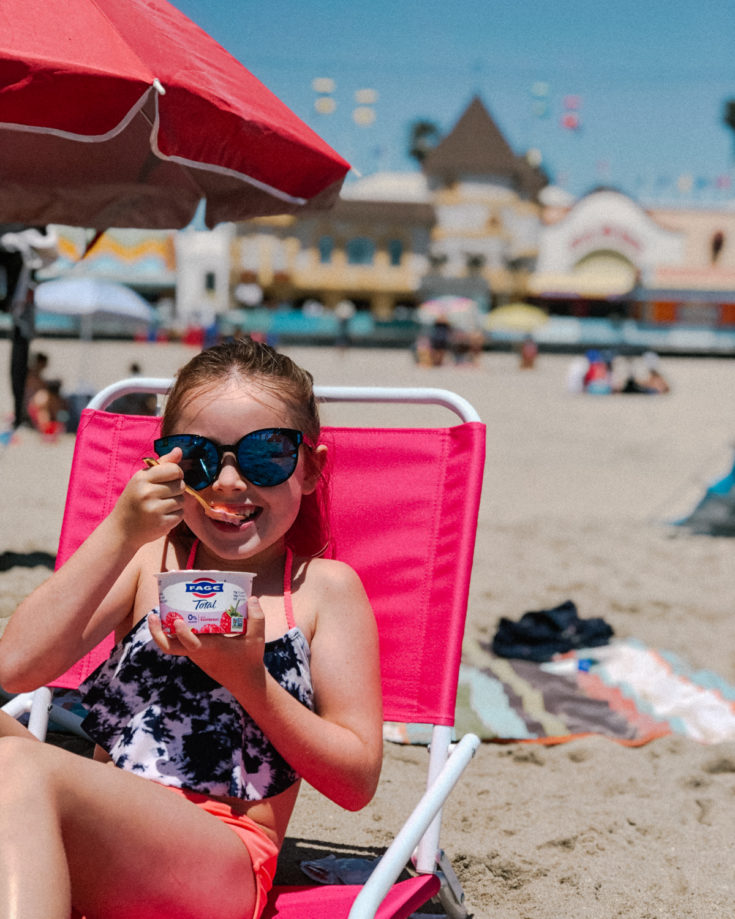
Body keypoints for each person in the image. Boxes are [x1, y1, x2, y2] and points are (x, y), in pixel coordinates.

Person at [0, 337, 383, 919]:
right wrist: (120, 532)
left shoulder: (323, 591)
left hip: (224, 856)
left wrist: (248, 679)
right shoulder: (146, 559)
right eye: (200, 458)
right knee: (21, 765)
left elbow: (355, 785)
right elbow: (16, 668)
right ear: (166, 466)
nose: (228, 482)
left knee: (24, 767)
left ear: (310, 468)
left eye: (264, 456)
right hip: (103, 826)